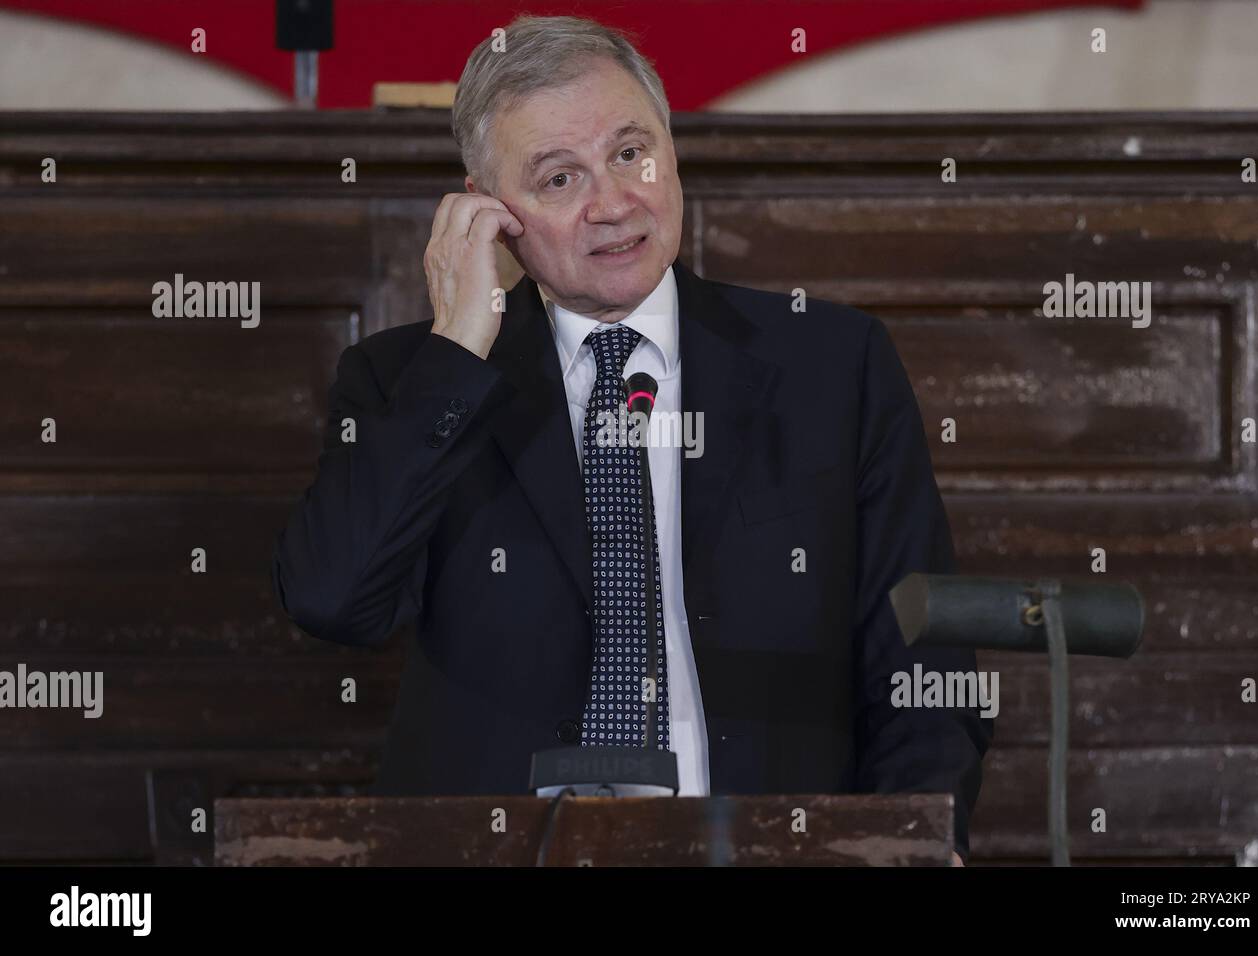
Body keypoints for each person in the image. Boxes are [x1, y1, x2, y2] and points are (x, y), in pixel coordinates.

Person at [272, 14, 992, 865]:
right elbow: (332, 602)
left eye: (629, 153)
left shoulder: (833, 365)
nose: (612, 203)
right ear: (488, 211)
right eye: (559, 177)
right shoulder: (408, 383)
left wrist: (897, 844)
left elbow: (922, 663)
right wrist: (460, 347)